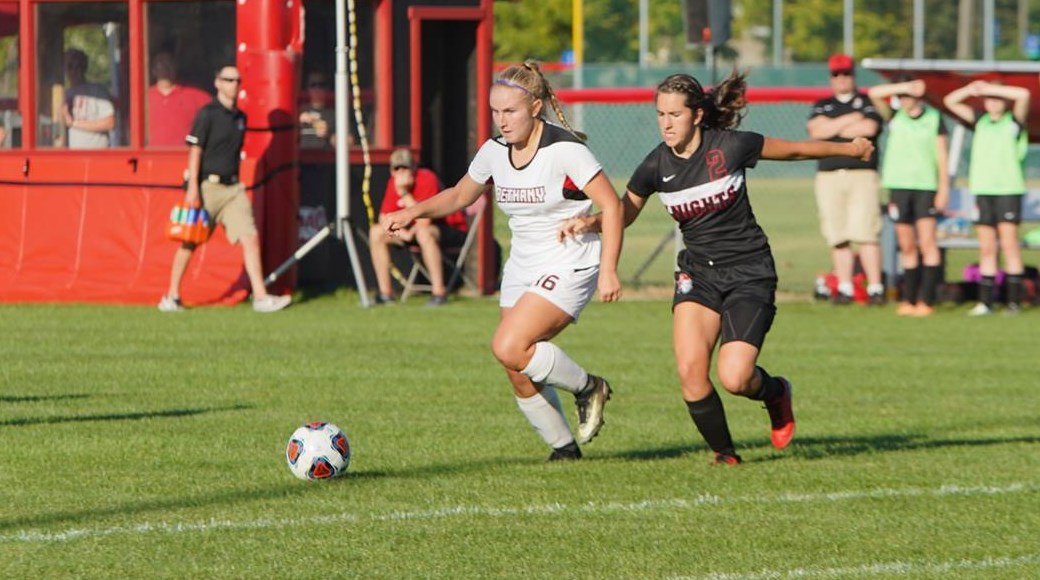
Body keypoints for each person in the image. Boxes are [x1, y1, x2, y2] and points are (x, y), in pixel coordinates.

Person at [560, 71, 874, 465]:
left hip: (749, 271)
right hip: (699, 275)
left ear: (696, 115)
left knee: (735, 378)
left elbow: (795, 150)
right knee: (691, 372)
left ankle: (775, 393)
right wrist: (592, 223)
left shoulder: (730, 147)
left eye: (675, 114)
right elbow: (625, 212)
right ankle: (725, 455)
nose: (666, 122)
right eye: (660, 114)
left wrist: (852, 149)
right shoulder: (655, 164)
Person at [382, 60, 623, 461]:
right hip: (523, 263)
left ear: (535, 107)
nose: (501, 120)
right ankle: (564, 450)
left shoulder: (565, 149)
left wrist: (610, 270)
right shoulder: (495, 151)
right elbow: (461, 194)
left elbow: (612, 206)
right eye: (495, 111)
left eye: (509, 111)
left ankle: (588, 387)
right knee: (516, 366)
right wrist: (413, 212)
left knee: (510, 345)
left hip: (569, 260)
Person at [158, 65, 292, 314]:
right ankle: (171, 296)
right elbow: (196, 151)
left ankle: (261, 297)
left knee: (250, 238)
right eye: (229, 80)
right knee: (190, 240)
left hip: (233, 188)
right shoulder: (206, 114)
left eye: (238, 81)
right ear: (217, 82)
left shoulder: (240, 118)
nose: (234, 85)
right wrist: (193, 188)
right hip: (208, 187)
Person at [944, 79, 1031, 316]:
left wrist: (993, 89)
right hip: (983, 190)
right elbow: (949, 101)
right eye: (989, 99)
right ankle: (986, 302)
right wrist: (971, 89)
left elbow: (1023, 94)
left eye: (997, 98)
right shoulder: (980, 121)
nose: (993, 103)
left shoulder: (1013, 123)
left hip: (1008, 190)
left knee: (1010, 245)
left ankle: (1014, 302)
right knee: (987, 248)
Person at [807, 54, 885, 305]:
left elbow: (869, 129)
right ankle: (845, 287)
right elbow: (817, 132)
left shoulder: (866, 101)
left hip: (862, 174)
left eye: (846, 74)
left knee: (866, 232)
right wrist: (851, 119)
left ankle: (875, 287)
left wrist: (835, 127)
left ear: (853, 75)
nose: (841, 79)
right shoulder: (823, 104)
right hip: (829, 176)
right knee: (837, 234)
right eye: (836, 75)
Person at [867, 77, 949, 317]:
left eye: (908, 95)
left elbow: (942, 157)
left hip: (925, 187)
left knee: (927, 243)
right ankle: (909, 299)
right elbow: (874, 92)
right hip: (899, 187)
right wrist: (902, 87)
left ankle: (927, 300)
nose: (904, 100)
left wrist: (943, 189)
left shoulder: (934, 119)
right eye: (901, 96)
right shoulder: (895, 117)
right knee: (906, 244)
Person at [368, 148, 469, 307]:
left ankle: (438, 293)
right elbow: (384, 219)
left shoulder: (426, 178)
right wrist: (404, 234)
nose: (401, 172)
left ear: (414, 168)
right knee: (376, 232)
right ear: (391, 171)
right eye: (397, 168)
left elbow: (425, 220)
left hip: (447, 228)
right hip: (410, 232)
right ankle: (386, 293)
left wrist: (404, 194)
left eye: (405, 167)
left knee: (424, 233)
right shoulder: (392, 183)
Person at [148, 51, 212, 146]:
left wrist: (194, 142)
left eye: (168, 63)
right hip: (150, 157)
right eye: (160, 63)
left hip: (186, 156)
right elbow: (130, 130)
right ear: (153, 70)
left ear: (175, 67)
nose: (165, 68)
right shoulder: (144, 98)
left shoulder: (196, 96)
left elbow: (214, 124)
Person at [62, 48, 115, 148]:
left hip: (97, 157)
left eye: (78, 66)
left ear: (84, 68)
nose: (74, 71)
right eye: (70, 67)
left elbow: (110, 123)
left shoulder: (97, 91)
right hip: (71, 158)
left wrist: (73, 123)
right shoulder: (63, 95)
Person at [299, 71, 336, 149]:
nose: (317, 89)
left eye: (321, 85)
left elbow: (350, 141)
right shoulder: (298, 111)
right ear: (307, 88)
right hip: (299, 159)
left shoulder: (333, 114)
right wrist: (297, 121)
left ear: (327, 88)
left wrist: (328, 135)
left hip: (324, 159)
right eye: (313, 85)